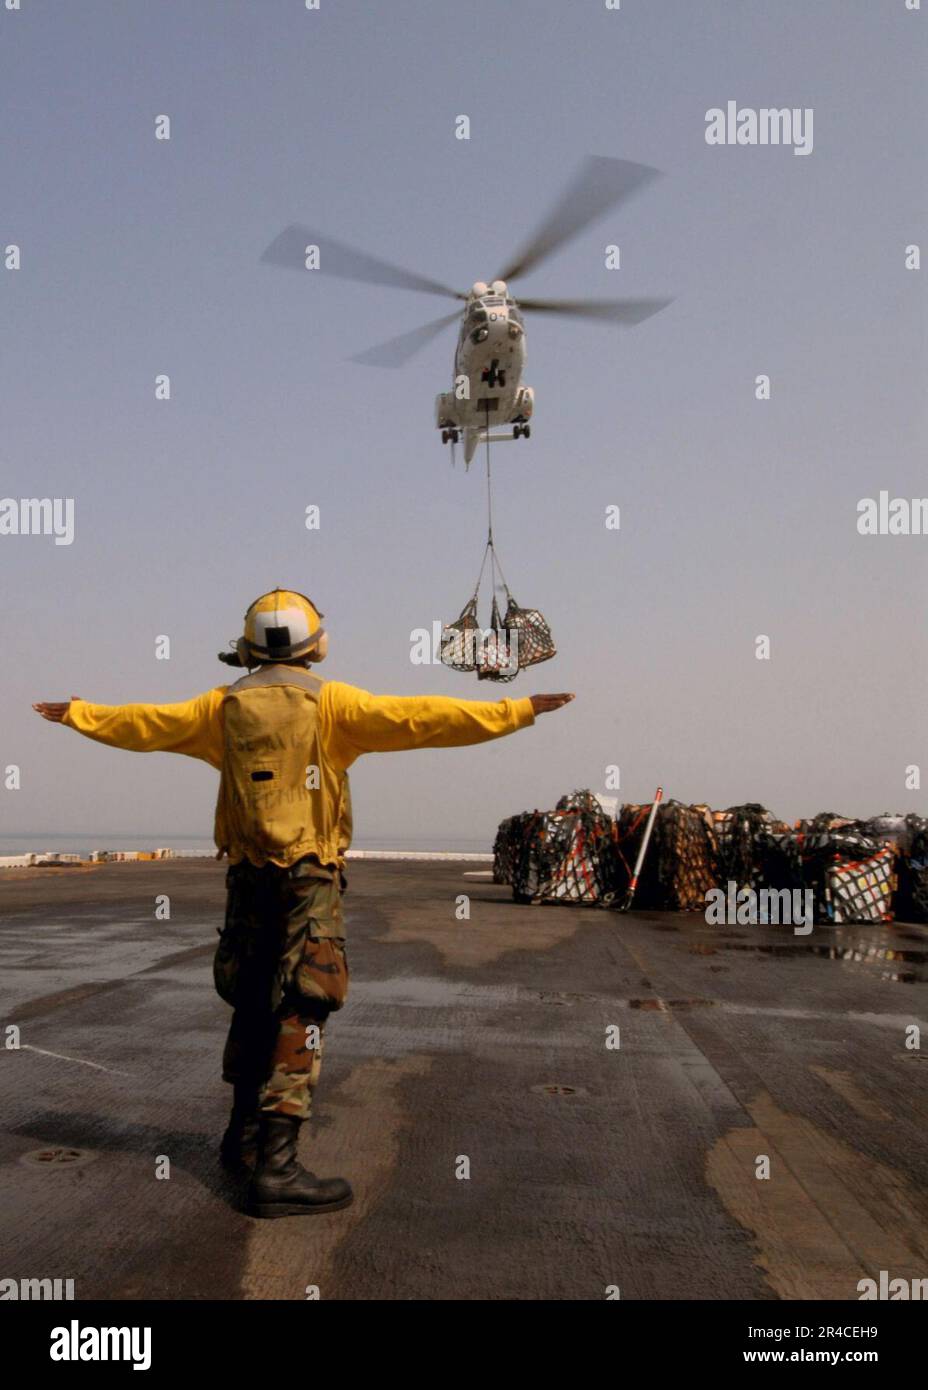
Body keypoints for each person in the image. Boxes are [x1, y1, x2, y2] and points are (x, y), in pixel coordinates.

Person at [34, 588, 574, 1218]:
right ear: (315, 644)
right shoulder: (332, 705)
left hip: (246, 878)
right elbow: (425, 717)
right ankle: (279, 1168)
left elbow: (143, 724)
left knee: (253, 1000)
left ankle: (241, 1139)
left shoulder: (222, 707)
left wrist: (79, 713)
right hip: (308, 879)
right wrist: (516, 708)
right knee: (305, 1005)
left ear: (248, 646)